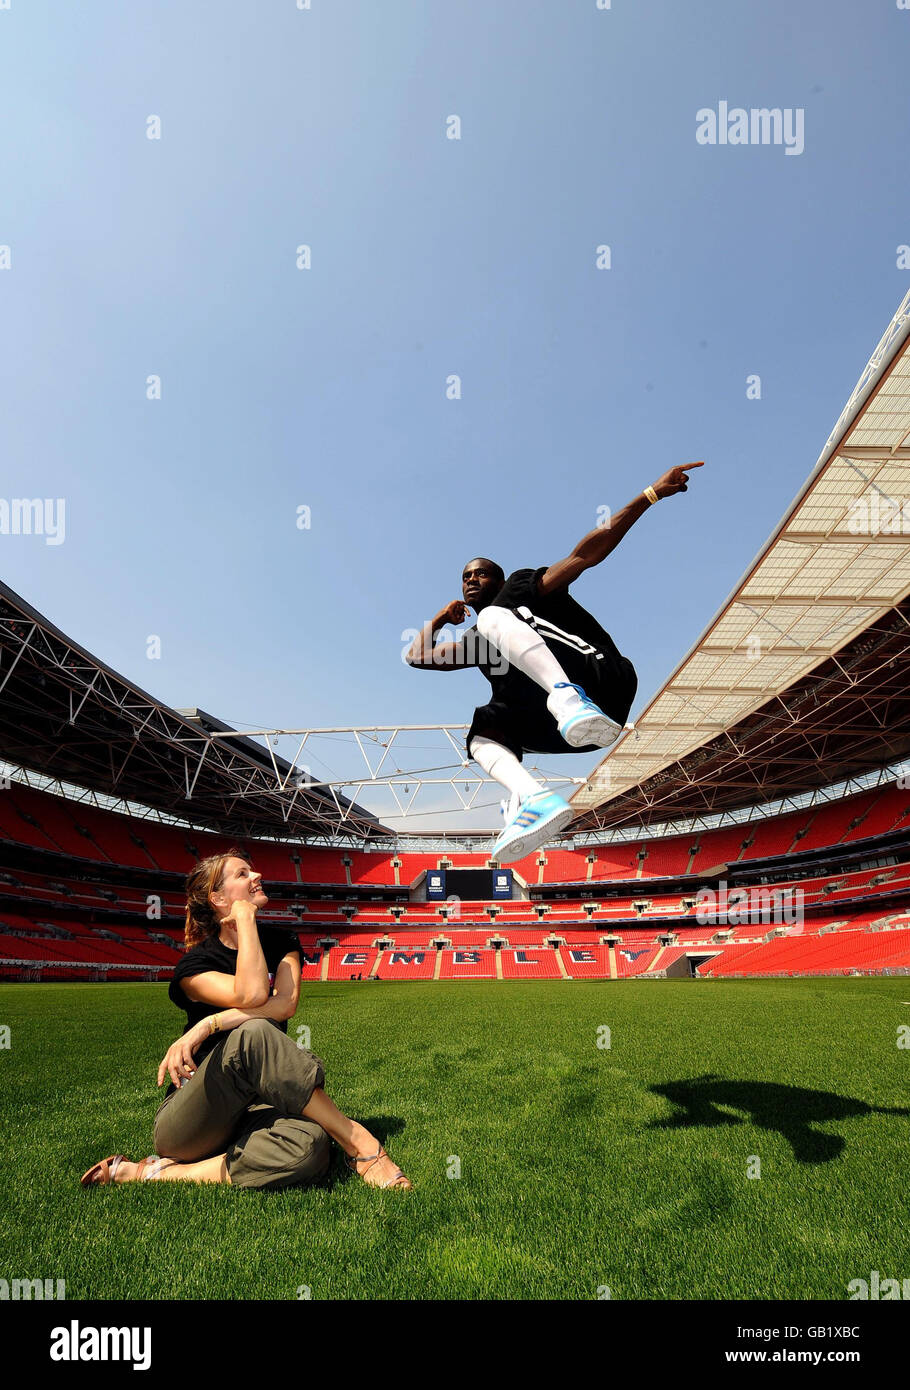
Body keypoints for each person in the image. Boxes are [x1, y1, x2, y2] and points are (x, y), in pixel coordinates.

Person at [406, 464, 703, 861]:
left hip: (601, 682)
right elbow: (418, 657)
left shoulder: (523, 589)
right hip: (564, 732)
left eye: (480, 574)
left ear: (499, 579)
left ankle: (567, 697)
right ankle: (533, 798)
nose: (471, 580)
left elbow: (586, 554)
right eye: (465, 576)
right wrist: (441, 619)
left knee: (495, 617)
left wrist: (649, 495)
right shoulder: (476, 641)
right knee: (482, 734)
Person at [80, 851, 410, 1191]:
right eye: (242, 874)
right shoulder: (194, 967)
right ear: (219, 898)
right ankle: (360, 1144)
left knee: (310, 1147)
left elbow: (284, 1005)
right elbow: (253, 995)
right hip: (192, 1120)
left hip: (259, 1108)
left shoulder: (282, 942)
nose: (257, 875)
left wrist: (209, 1024)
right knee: (254, 1032)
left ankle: (155, 1173)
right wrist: (246, 921)